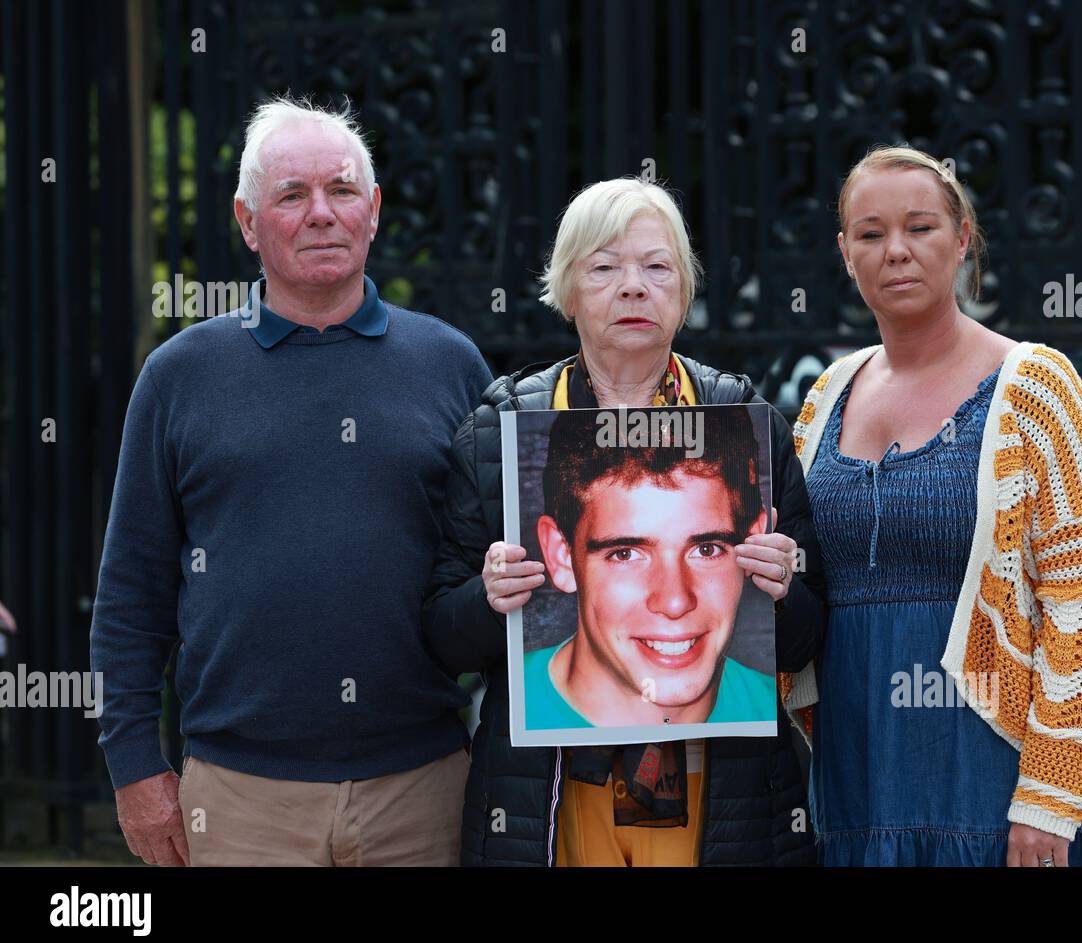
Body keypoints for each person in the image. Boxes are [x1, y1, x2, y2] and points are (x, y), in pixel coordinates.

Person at [89, 96, 492, 866]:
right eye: (291, 195)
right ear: (247, 222)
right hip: (240, 801)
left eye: (342, 191)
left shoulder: (451, 365)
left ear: (372, 211)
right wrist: (135, 766)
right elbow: (131, 592)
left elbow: (498, 576)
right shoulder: (179, 377)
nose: (321, 214)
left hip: (426, 789)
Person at [426, 176, 826, 866]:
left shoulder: (742, 422)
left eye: (656, 266)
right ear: (567, 289)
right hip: (551, 803)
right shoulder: (502, 432)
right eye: (605, 268)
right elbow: (442, 636)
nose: (633, 287)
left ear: (684, 289)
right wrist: (488, 602)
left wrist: (783, 587)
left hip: (721, 801)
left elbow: (807, 640)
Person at [786, 145, 1082, 867]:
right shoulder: (824, 399)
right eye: (870, 233)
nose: (896, 251)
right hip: (856, 778)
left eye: (920, 228)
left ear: (962, 239)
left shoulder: (1036, 387)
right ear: (844, 252)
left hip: (994, 781)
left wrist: (1050, 798)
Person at [525, 404, 777, 729]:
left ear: (753, 544)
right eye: (626, 554)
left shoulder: (778, 715)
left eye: (706, 549)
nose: (674, 601)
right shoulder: (509, 715)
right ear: (561, 555)